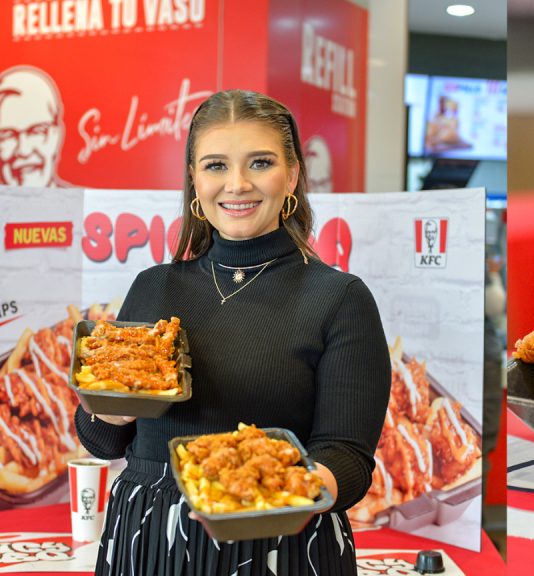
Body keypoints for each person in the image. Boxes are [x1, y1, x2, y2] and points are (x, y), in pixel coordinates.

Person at [73, 90, 391, 576]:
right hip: (145, 540)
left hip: (278, 543)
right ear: (195, 180)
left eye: (259, 163)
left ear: (293, 176)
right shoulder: (153, 287)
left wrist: (273, 496)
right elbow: (103, 441)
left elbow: (346, 457)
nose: (237, 184)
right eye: (216, 165)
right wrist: (109, 412)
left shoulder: (340, 298)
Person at [0, 65, 68, 187]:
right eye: (8, 136)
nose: (24, 150)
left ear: (56, 136)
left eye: (37, 132)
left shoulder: (82, 204)